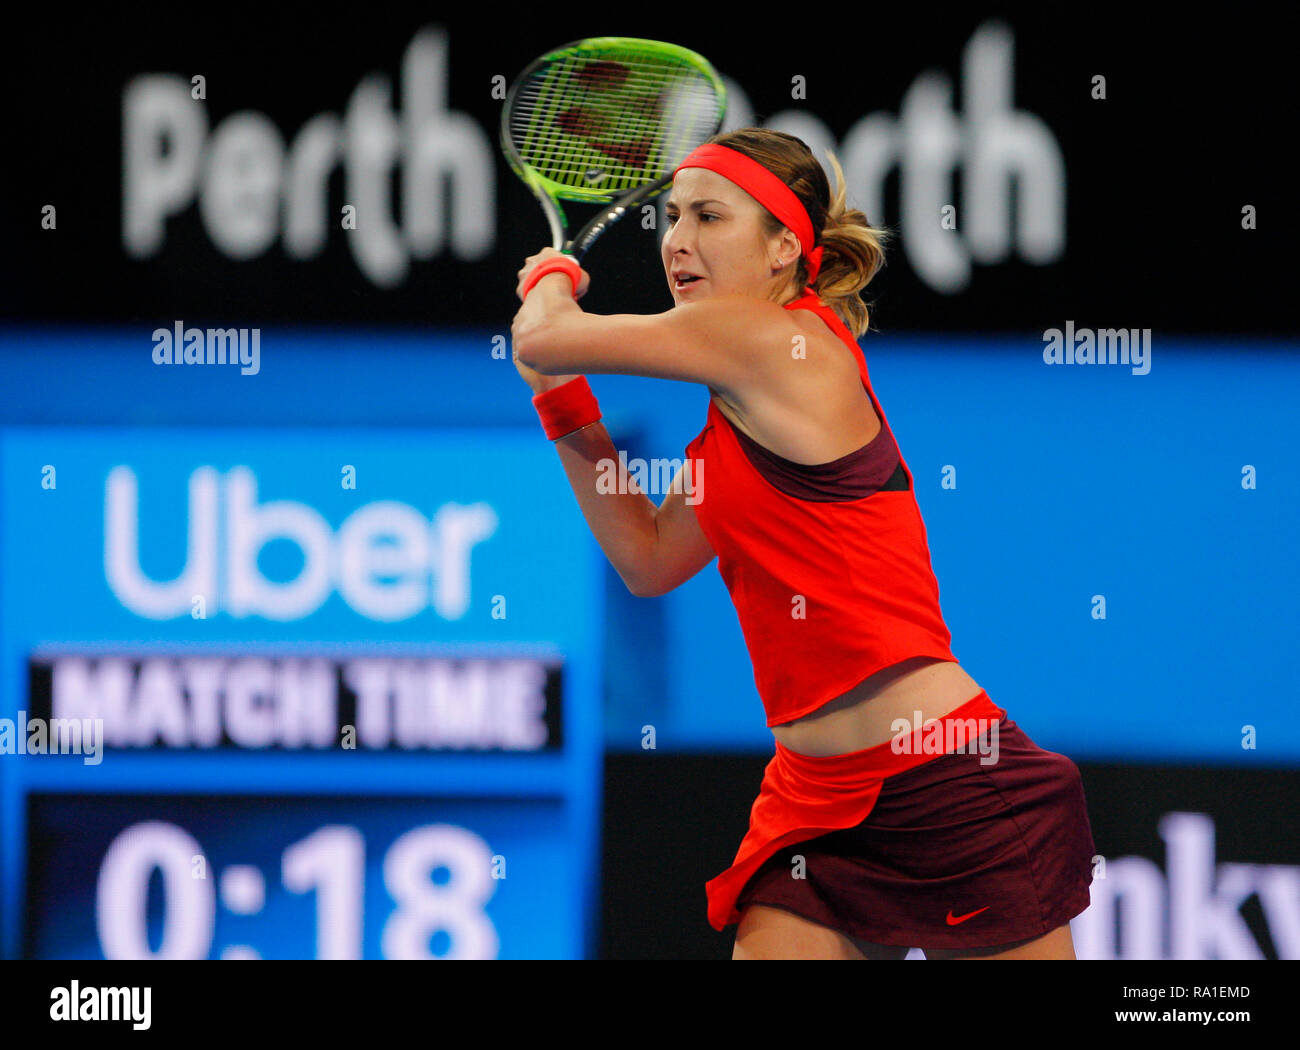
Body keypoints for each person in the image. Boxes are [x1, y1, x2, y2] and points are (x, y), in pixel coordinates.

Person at [511, 127, 1095, 960]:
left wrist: (552, 282)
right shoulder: (730, 422)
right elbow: (647, 556)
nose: (677, 240)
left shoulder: (773, 345)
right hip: (812, 799)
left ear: (785, 245)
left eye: (710, 217)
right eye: (672, 217)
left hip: (945, 777)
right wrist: (561, 403)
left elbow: (541, 333)